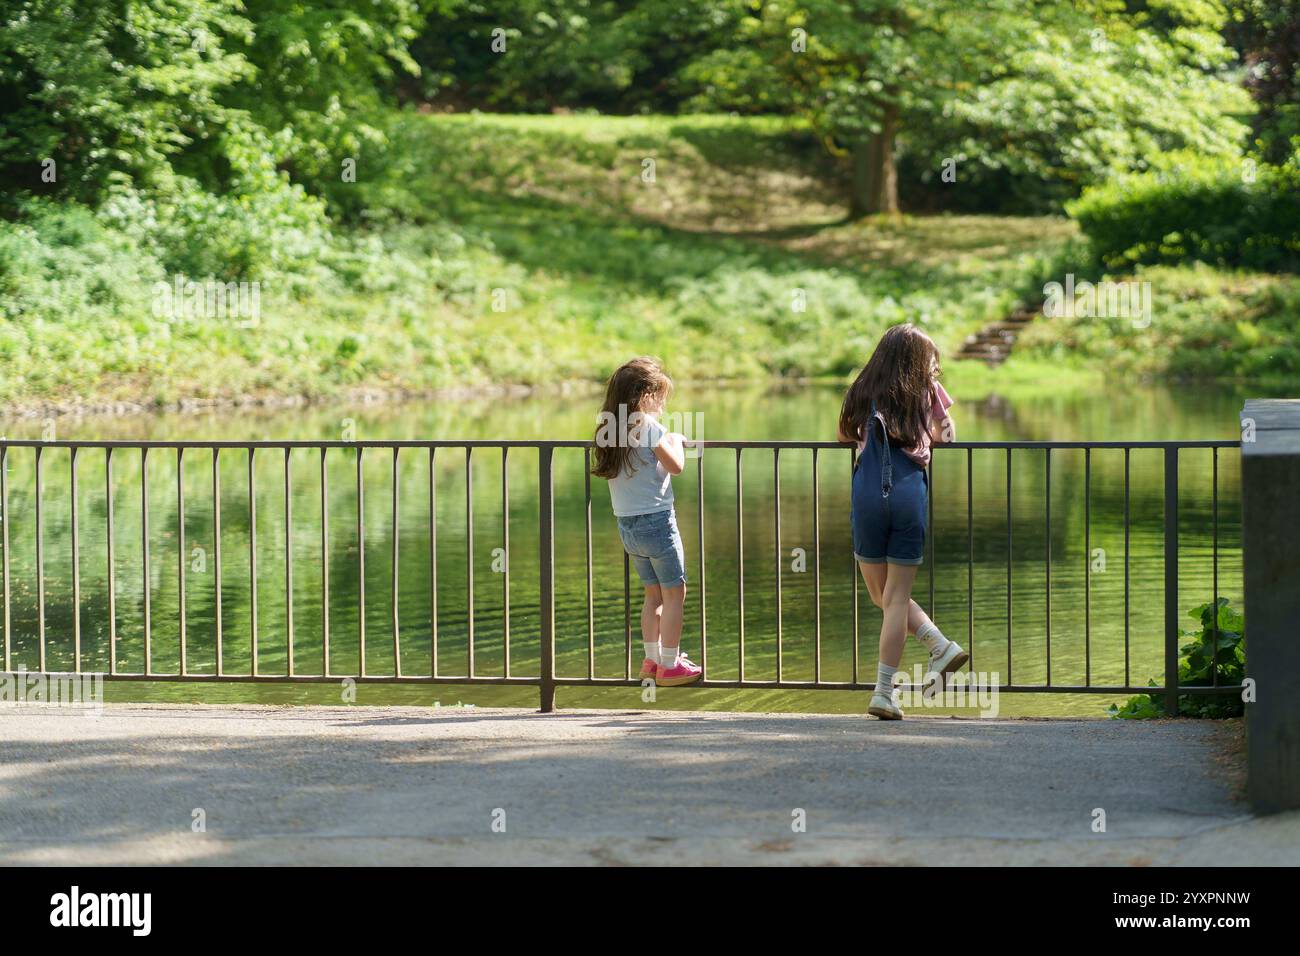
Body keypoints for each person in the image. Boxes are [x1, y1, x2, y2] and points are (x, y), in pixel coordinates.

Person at [838, 324, 969, 719]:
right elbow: (947, 436)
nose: (935, 368)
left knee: (883, 596)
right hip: (909, 493)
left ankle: (915, 665)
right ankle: (926, 656)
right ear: (918, 363)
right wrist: (937, 399)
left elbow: (843, 433)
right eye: (931, 362)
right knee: (889, 598)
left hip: (867, 497)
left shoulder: (863, 390)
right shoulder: (924, 394)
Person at [591, 357, 701, 687]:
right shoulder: (648, 425)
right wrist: (675, 441)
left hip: (627, 525)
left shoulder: (610, 425)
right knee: (675, 594)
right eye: (660, 398)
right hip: (657, 522)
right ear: (645, 395)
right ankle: (670, 665)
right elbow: (676, 466)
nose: (662, 405)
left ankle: (652, 660)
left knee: (652, 596)